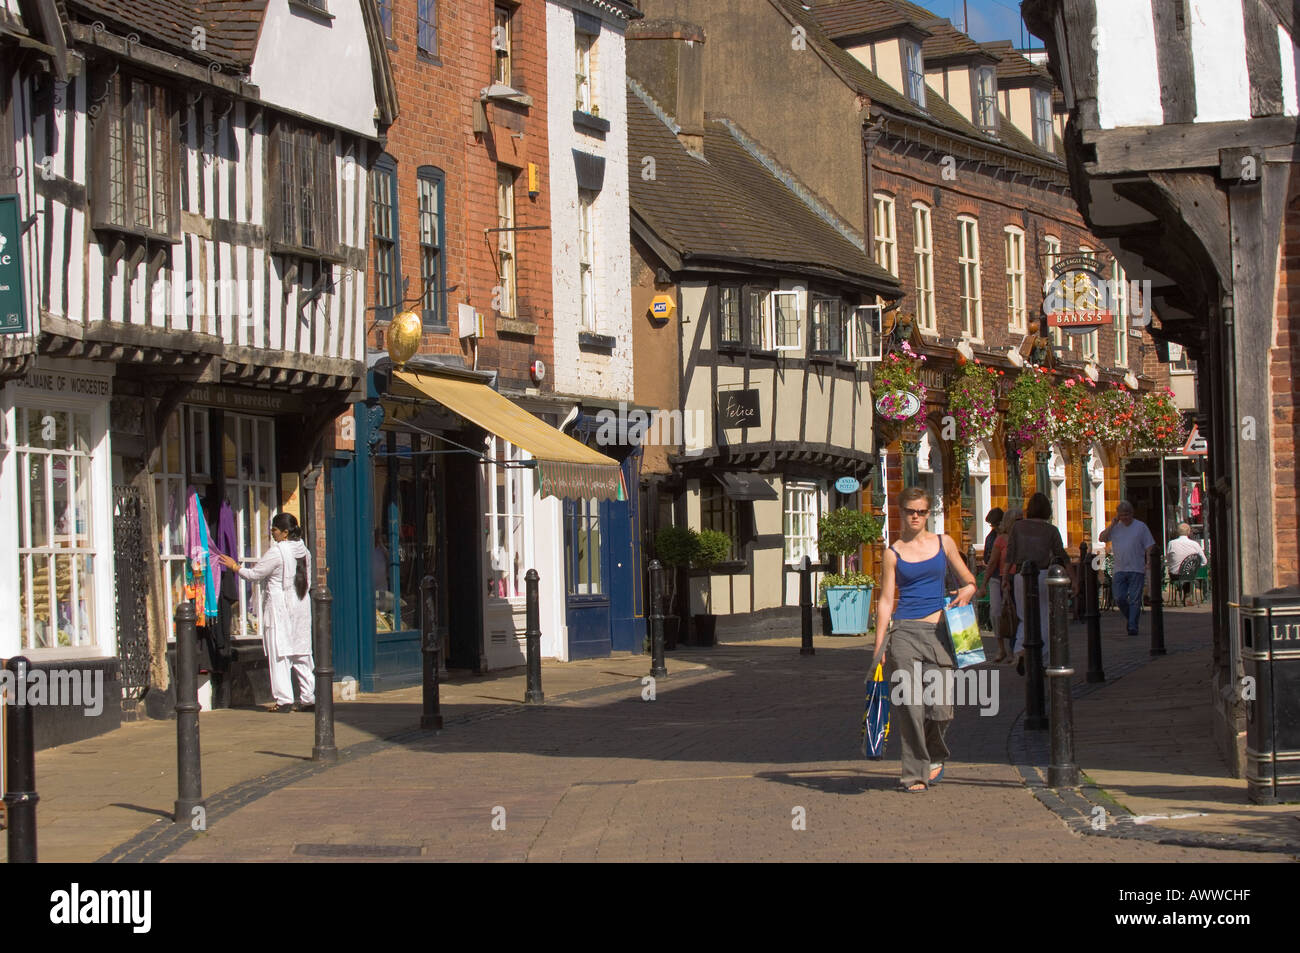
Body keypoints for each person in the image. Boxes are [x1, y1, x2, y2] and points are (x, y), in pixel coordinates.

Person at [872, 486, 978, 793]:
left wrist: (969, 589)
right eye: (910, 511)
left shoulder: (944, 543)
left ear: (928, 513)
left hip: (940, 633)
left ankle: (934, 755)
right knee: (910, 706)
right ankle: (914, 774)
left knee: (941, 707)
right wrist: (879, 645)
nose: (916, 516)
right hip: (904, 632)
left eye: (921, 511)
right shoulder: (893, 553)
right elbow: (885, 599)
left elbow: (969, 580)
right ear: (901, 513)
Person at [217, 513, 315, 713]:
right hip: (301, 607)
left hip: (280, 608)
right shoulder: (304, 550)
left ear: (285, 532)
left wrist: (234, 567)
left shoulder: (278, 551)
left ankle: (284, 699)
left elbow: (255, 574)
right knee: (302, 655)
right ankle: (308, 697)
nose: (272, 533)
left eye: (275, 530)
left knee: (279, 654)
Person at [1005, 492, 1074, 673]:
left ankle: (1020, 650)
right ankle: (1037, 656)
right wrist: (1075, 579)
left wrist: (1006, 578)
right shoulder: (1050, 530)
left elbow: (1010, 554)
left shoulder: (1017, 527)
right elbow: (1062, 555)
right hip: (1043, 575)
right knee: (1044, 617)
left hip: (1021, 575)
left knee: (1024, 616)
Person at [1099, 501, 1155, 637]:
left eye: (1127, 514)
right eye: (1122, 515)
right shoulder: (1116, 528)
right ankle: (1131, 618)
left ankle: (1132, 626)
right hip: (1119, 568)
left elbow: (1149, 546)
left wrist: (1148, 561)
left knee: (1135, 599)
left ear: (1132, 513)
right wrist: (1112, 524)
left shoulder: (1141, 527)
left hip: (1136, 568)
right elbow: (1102, 538)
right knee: (1119, 597)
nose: (1125, 517)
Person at [977, 507, 1020, 663]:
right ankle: (1001, 648)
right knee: (997, 613)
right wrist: (984, 584)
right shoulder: (993, 538)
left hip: (1016, 577)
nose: (994, 526)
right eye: (991, 524)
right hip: (998, 577)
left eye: (995, 523)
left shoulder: (1016, 536)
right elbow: (991, 561)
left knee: (1015, 613)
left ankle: (1015, 649)